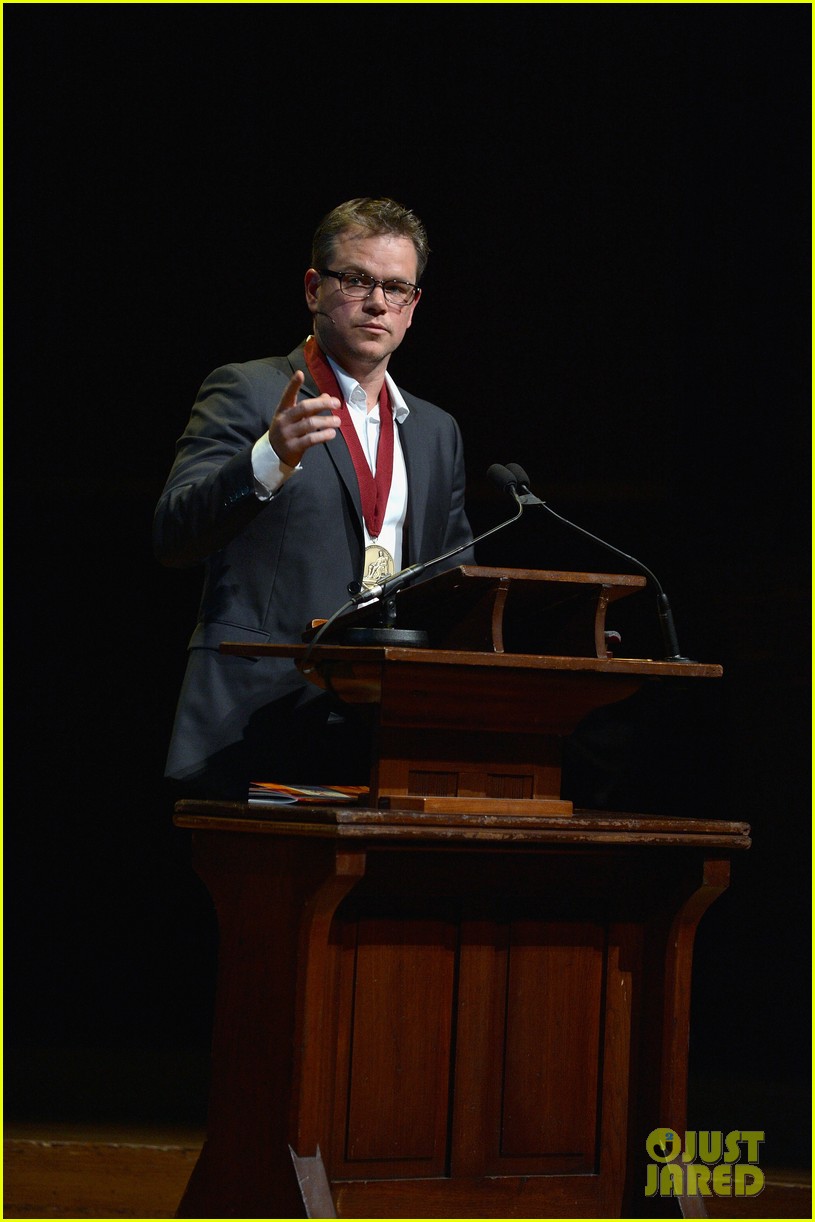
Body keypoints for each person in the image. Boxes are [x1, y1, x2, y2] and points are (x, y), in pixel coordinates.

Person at [154, 197, 474, 799]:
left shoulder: (437, 431)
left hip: (382, 731)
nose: (377, 302)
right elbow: (174, 534)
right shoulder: (250, 391)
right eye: (356, 280)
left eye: (396, 288)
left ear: (413, 307)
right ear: (313, 289)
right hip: (253, 723)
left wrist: (547, 633)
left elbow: (453, 584)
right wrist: (269, 457)